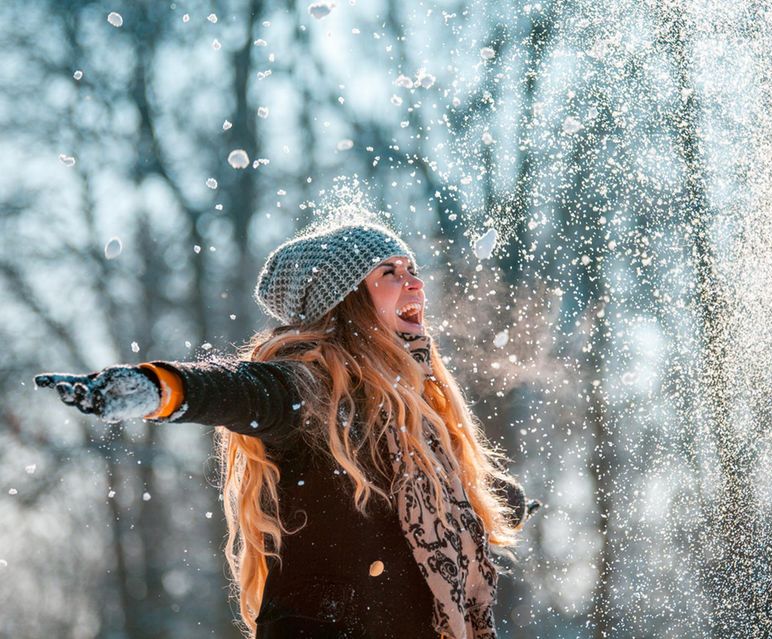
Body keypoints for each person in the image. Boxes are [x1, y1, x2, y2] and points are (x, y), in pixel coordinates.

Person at [35, 218, 537, 639]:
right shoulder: (311, 385)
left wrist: (497, 502)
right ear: (347, 300)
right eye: (389, 272)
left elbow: (431, 496)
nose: (414, 283)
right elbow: (239, 389)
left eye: (412, 269)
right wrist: (157, 389)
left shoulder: (416, 409)